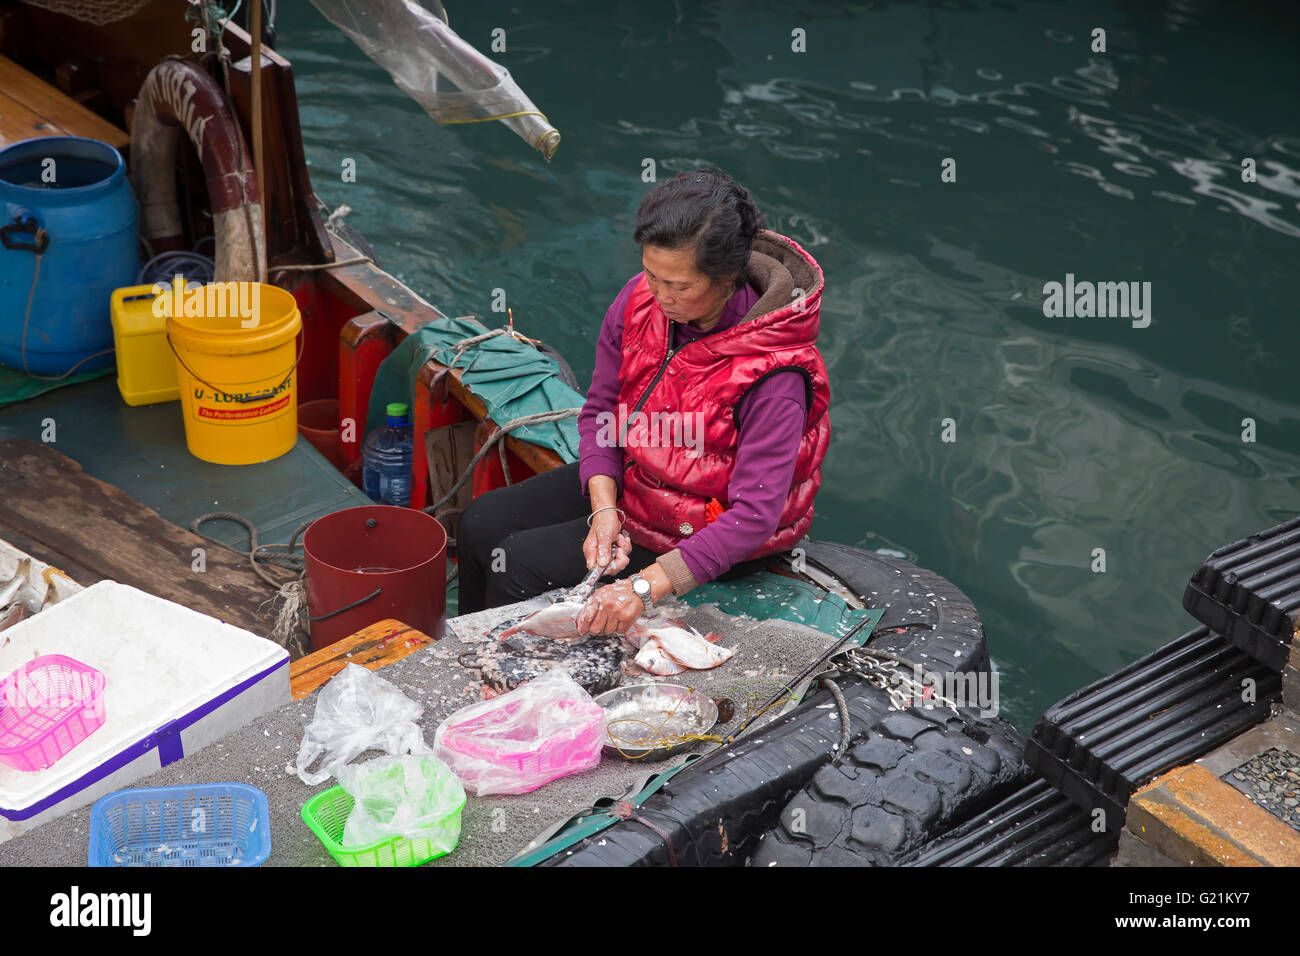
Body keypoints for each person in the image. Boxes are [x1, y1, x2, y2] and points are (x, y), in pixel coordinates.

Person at [456, 167, 830, 635]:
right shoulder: (638, 301)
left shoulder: (776, 376)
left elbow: (754, 517)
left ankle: (512, 686)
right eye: (653, 274)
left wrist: (643, 587)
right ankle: (467, 652)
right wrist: (604, 510)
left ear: (729, 275)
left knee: (515, 565)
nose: (660, 295)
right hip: (641, 482)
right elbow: (600, 413)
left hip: (709, 529)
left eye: (680, 285)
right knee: (479, 523)